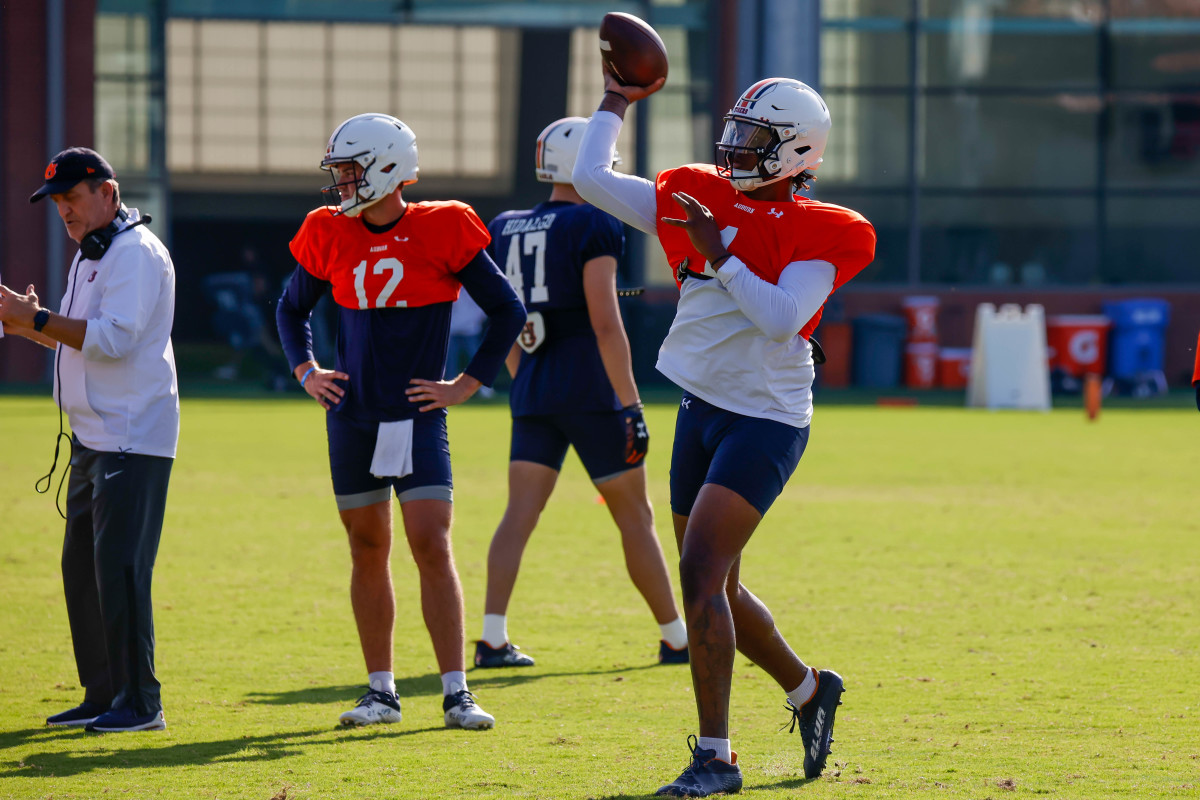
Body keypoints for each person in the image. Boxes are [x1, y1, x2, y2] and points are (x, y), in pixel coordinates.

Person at [573, 75, 876, 796]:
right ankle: (809, 689)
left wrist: (718, 253)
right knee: (719, 586)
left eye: (755, 137)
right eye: (736, 131)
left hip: (766, 417)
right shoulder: (695, 195)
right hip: (700, 405)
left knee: (701, 572)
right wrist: (616, 98)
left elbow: (781, 317)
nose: (735, 147)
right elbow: (590, 178)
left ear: (796, 151)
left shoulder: (823, 228)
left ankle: (716, 758)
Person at [275, 113, 525, 730]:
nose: (340, 182)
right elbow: (291, 308)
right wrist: (307, 370)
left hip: (415, 415)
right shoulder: (328, 230)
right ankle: (381, 692)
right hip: (353, 414)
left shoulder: (444, 225)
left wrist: (467, 382)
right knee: (367, 547)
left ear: (386, 168)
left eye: (349, 170)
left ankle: (456, 692)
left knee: (431, 543)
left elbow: (507, 309)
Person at [474, 117, 688, 670]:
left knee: (519, 514)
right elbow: (606, 324)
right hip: (592, 391)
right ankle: (675, 637)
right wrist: (631, 404)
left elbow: (503, 320)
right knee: (635, 517)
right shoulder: (594, 221)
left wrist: (524, 376)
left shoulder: (504, 226)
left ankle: (492, 637)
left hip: (535, 389)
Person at [0, 147, 178, 733]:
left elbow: (114, 340)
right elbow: (78, 340)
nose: (64, 211)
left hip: (132, 435)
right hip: (90, 437)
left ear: (108, 191)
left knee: (121, 569)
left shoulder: (135, 253)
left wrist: (37, 318)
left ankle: (141, 704)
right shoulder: (92, 253)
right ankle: (104, 694)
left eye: (72, 198)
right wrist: (27, 325)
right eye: (57, 202)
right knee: (82, 568)